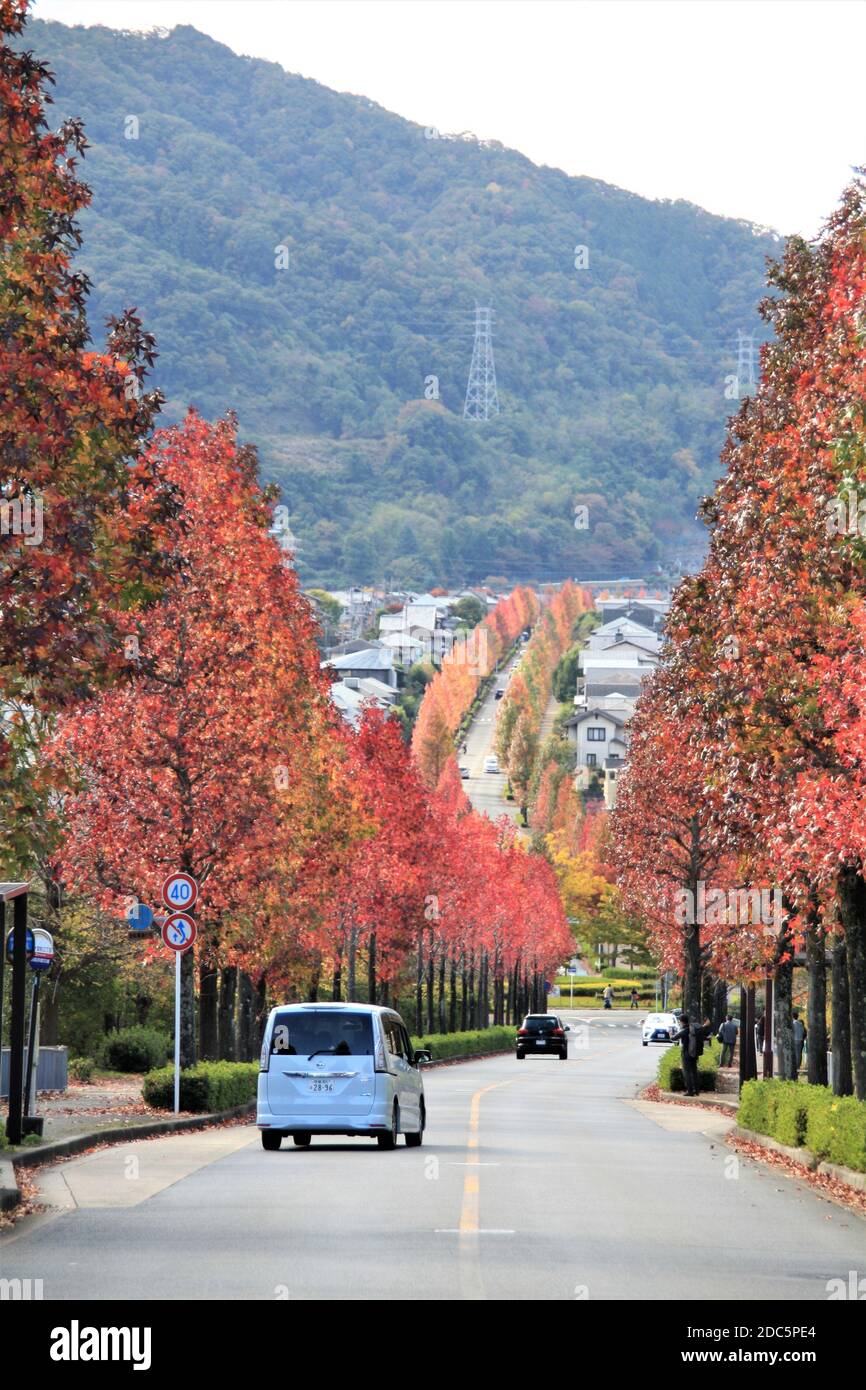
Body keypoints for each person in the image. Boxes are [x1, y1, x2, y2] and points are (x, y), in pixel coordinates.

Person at [672, 1014, 713, 1096]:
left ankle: (690, 1091)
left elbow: (673, 1038)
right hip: (694, 1052)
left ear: (681, 1022)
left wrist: (670, 1033)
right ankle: (696, 1090)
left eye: (680, 1021)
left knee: (686, 1072)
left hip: (686, 1053)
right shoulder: (693, 1029)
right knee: (694, 1071)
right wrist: (705, 1025)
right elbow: (702, 1028)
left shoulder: (684, 1030)